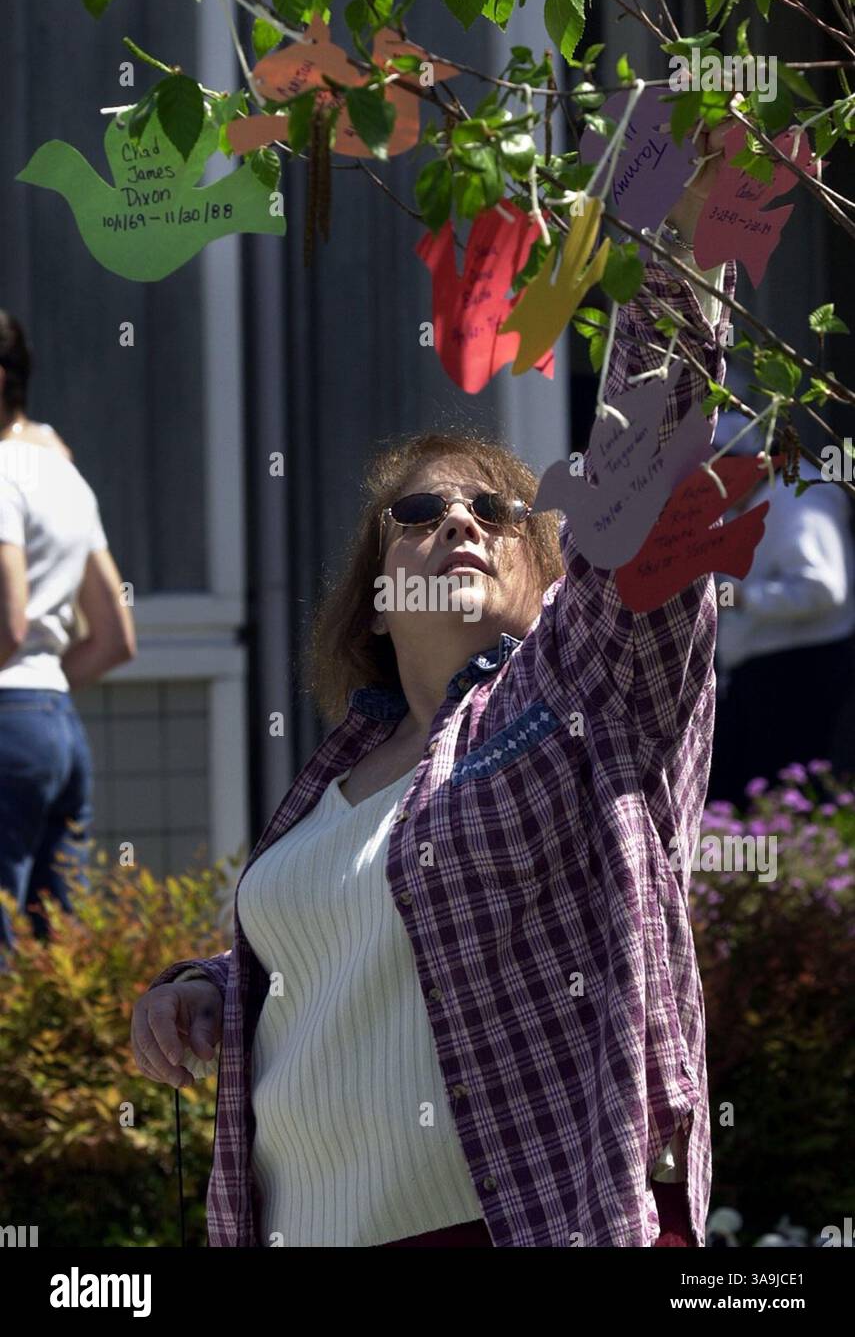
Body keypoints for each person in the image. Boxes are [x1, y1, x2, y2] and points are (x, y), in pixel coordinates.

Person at [131, 122, 736, 1247]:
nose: (458, 519)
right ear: (372, 590)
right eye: (418, 513)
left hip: (520, 1222)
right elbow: (362, 939)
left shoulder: (582, 703)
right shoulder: (332, 778)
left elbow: (647, 472)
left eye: (495, 510)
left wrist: (672, 235)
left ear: (549, 568)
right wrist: (209, 985)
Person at [0, 310, 136, 951]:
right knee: (57, 953)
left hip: (9, 719)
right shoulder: (63, 475)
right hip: (56, 727)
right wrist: (41, 688)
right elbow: (115, 637)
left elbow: (7, 623)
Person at [708, 412, 855, 806]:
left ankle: (781, 865)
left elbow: (825, 587)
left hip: (797, 675)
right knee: (745, 792)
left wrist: (741, 599)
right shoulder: (758, 500)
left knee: (780, 794)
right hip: (761, 675)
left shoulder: (797, 497)